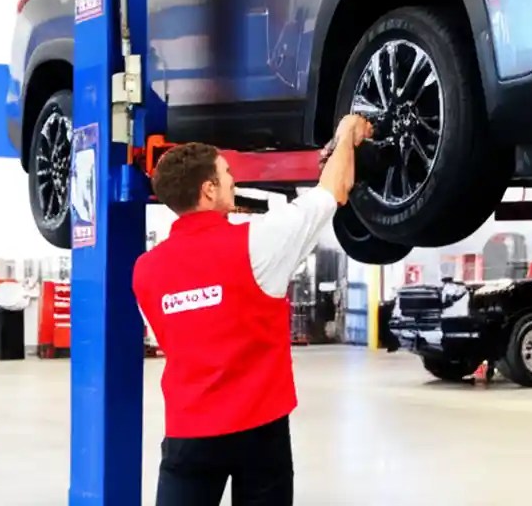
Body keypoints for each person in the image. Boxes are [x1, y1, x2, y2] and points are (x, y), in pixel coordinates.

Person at [132, 114, 373, 506]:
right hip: (259, 431)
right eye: (227, 174)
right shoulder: (258, 241)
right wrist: (347, 132)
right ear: (208, 190)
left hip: (189, 434)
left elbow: (175, 335)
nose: (235, 181)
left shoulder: (145, 271)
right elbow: (334, 191)